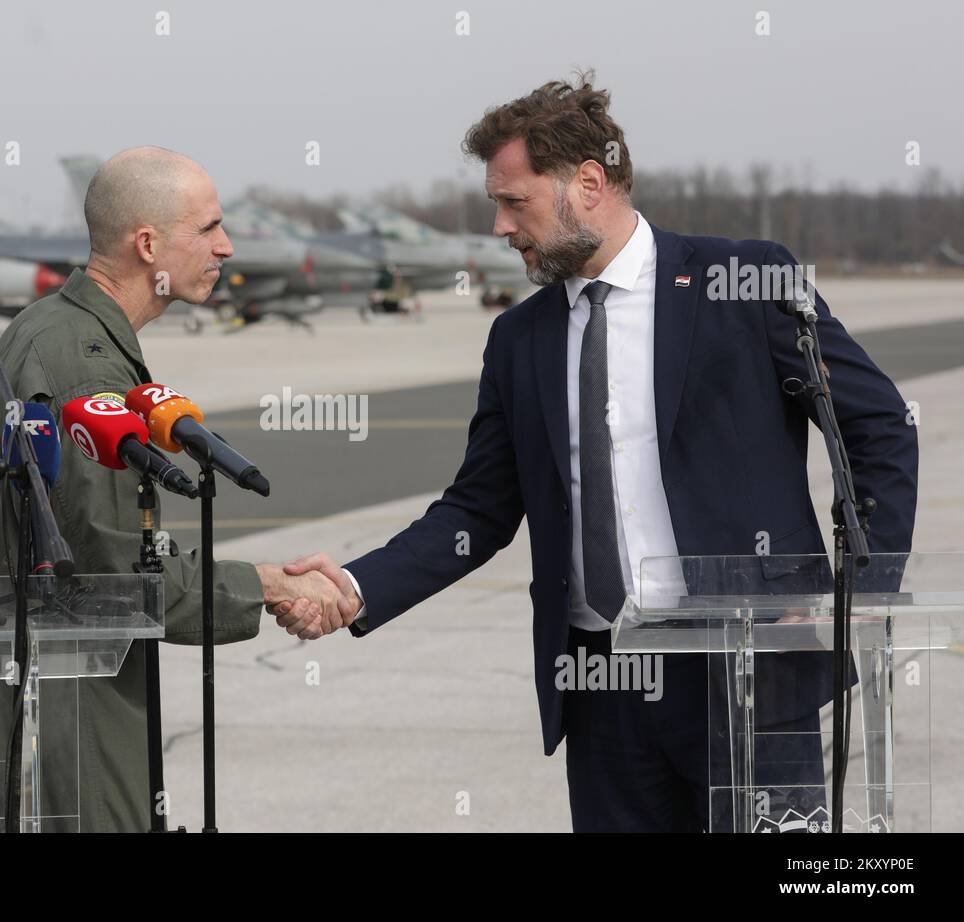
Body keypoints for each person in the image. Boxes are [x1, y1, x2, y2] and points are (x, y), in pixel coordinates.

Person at [280, 73, 918, 832]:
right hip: (603, 686)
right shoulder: (518, 340)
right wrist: (356, 585)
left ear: (587, 183)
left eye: (514, 201)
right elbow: (477, 510)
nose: (498, 226)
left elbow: (878, 426)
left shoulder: (744, 283)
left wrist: (858, 593)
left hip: (752, 675)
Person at [0, 146, 340, 831]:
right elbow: (111, 570)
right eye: (209, 228)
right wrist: (270, 585)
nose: (227, 245)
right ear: (148, 244)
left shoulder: (53, 329)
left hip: (23, 703)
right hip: (65, 718)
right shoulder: (81, 366)